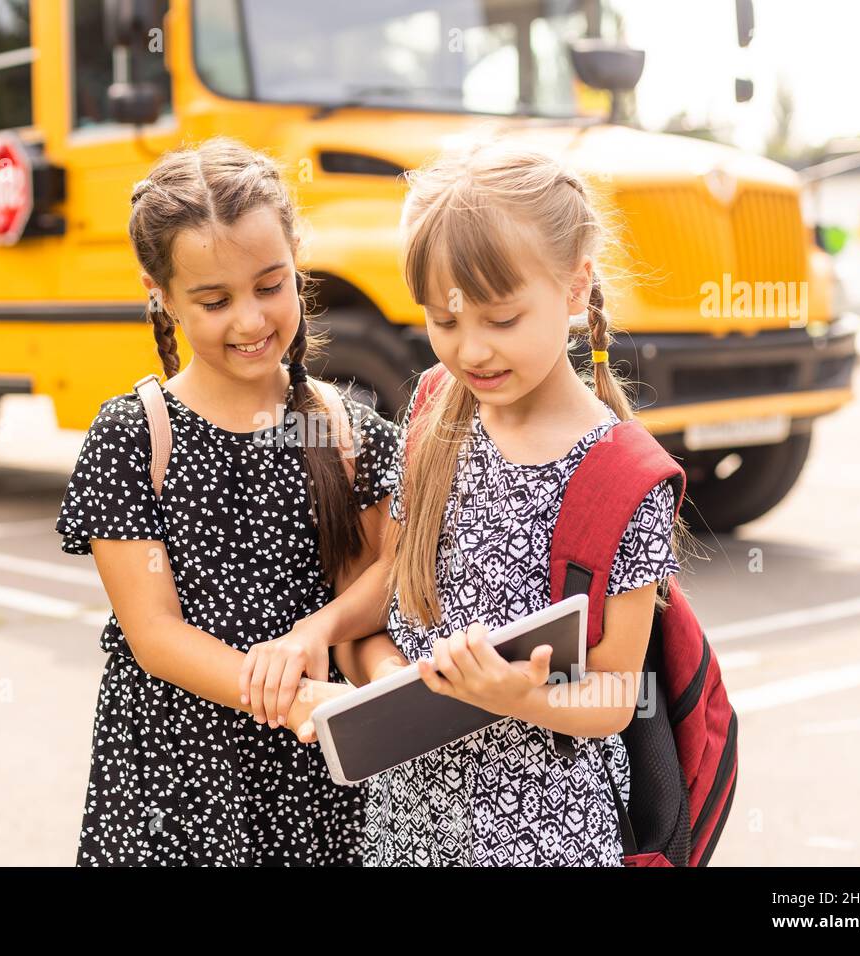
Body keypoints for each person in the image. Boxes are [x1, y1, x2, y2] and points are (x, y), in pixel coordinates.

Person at [306, 136, 693, 866]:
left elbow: (613, 698)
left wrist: (513, 694)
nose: (472, 351)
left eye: (501, 320)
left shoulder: (624, 475)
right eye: (444, 322)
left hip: (547, 840)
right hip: (408, 827)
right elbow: (395, 593)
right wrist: (381, 678)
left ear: (575, 290)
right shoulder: (431, 410)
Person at [54, 137, 400, 866]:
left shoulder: (344, 427)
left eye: (271, 286)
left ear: (296, 259)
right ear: (160, 293)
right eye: (214, 301)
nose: (250, 321)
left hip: (312, 784)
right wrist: (294, 697)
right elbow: (155, 636)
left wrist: (314, 634)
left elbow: (391, 577)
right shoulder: (134, 436)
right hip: (175, 783)